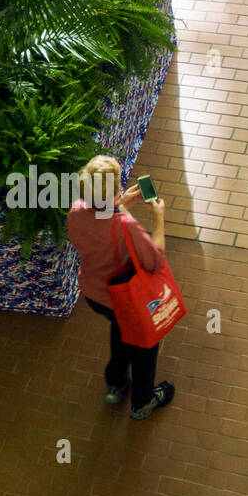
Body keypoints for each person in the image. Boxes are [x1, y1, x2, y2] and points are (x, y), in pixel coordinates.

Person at [67, 155, 175, 420]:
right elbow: (154, 259)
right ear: (114, 189)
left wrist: (120, 204)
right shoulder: (124, 226)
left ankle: (116, 383)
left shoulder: (76, 211)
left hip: (95, 295)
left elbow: (99, 226)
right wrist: (159, 219)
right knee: (145, 344)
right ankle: (143, 401)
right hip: (125, 299)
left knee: (121, 328)